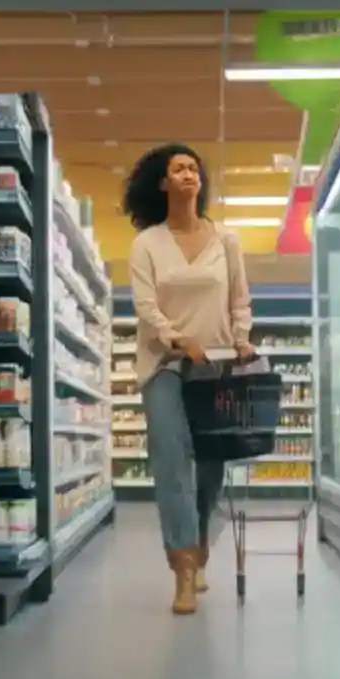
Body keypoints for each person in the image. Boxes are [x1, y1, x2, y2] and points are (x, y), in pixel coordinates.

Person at [123, 143, 254, 615]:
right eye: (178, 168)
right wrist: (177, 340)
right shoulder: (147, 244)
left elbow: (239, 300)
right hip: (163, 365)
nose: (188, 174)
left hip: (216, 363)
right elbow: (144, 306)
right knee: (171, 458)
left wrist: (241, 340)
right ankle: (181, 568)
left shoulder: (227, 241)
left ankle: (200, 549)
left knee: (209, 467)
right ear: (162, 182)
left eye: (194, 168)